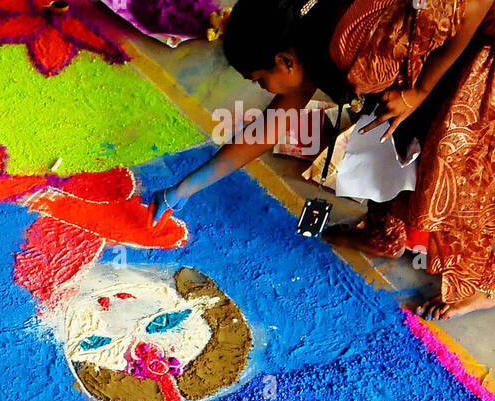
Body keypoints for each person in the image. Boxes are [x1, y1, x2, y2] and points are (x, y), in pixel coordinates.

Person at [154, 0, 495, 320]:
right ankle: (384, 234)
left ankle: (485, 286)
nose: (262, 89)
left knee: (458, 159)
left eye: (260, 80)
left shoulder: (351, 44)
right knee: (386, 124)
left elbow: (475, 4)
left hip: (483, 33)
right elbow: (268, 129)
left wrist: (418, 92)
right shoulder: (309, 39)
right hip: (425, 49)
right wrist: (184, 188)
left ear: (285, 60)